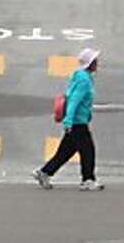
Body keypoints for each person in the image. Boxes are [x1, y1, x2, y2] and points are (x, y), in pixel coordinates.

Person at [35, 47, 101, 190]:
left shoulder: (81, 76)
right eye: (95, 60)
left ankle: (45, 172)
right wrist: (68, 121)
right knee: (88, 151)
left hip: (78, 121)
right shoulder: (84, 81)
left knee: (65, 152)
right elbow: (74, 101)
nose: (98, 63)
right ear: (90, 64)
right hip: (78, 123)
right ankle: (88, 180)